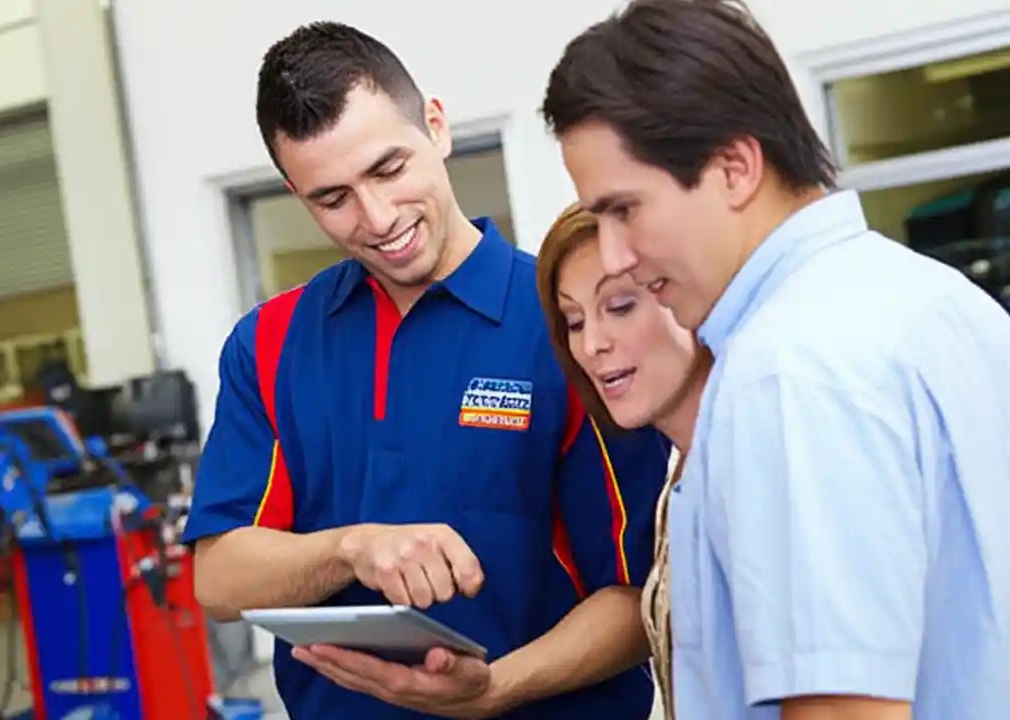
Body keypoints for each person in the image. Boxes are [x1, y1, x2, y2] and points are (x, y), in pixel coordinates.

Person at [182, 20, 670, 720]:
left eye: (388, 169)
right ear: (298, 194)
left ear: (436, 127)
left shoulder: (568, 325)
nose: (377, 217)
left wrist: (495, 689)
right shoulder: (270, 344)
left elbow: (636, 596)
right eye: (332, 198)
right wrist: (353, 550)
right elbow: (220, 579)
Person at [539, 1, 1010, 719]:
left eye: (625, 210)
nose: (615, 255)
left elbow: (841, 707)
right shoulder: (939, 300)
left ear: (734, 167)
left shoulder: (785, 369)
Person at [535, 202, 711, 718]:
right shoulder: (677, 480)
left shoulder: (758, 464)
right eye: (573, 321)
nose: (591, 344)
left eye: (618, 306)